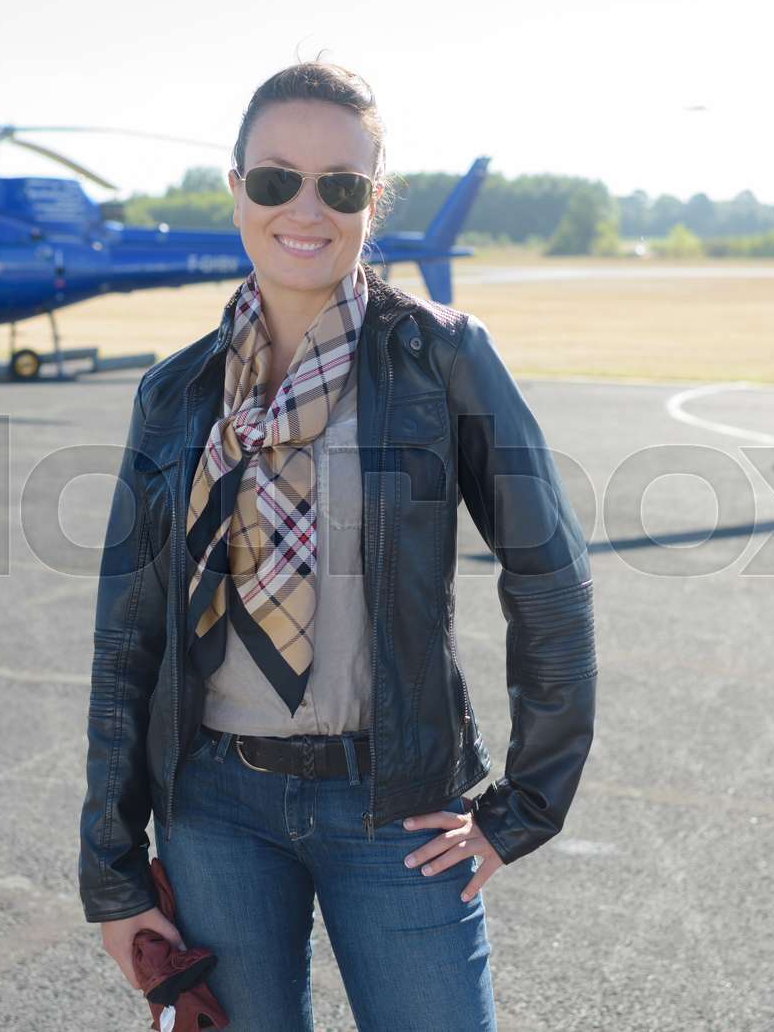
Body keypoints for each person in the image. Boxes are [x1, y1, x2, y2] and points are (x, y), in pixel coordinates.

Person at [78, 59, 597, 1030]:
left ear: (372, 203)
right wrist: (111, 873)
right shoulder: (177, 394)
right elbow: (128, 634)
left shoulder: (440, 357)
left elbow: (549, 573)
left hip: (397, 810)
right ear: (236, 190)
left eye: (341, 186)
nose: (304, 208)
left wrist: (523, 803)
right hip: (212, 810)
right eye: (275, 179)